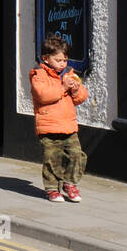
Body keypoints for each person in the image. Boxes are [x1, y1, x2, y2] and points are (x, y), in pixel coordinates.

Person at [30, 35, 89, 203]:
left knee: (77, 155)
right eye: (58, 60)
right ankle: (52, 188)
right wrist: (63, 87)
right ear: (46, 59)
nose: (62, 64)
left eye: (64, 60)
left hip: (69, 126)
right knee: (52, 158)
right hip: (48, 126)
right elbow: (42, 95)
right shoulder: (38, 74)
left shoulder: (69, 74)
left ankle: (70, 183)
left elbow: (81, 98)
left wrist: (76, 90)